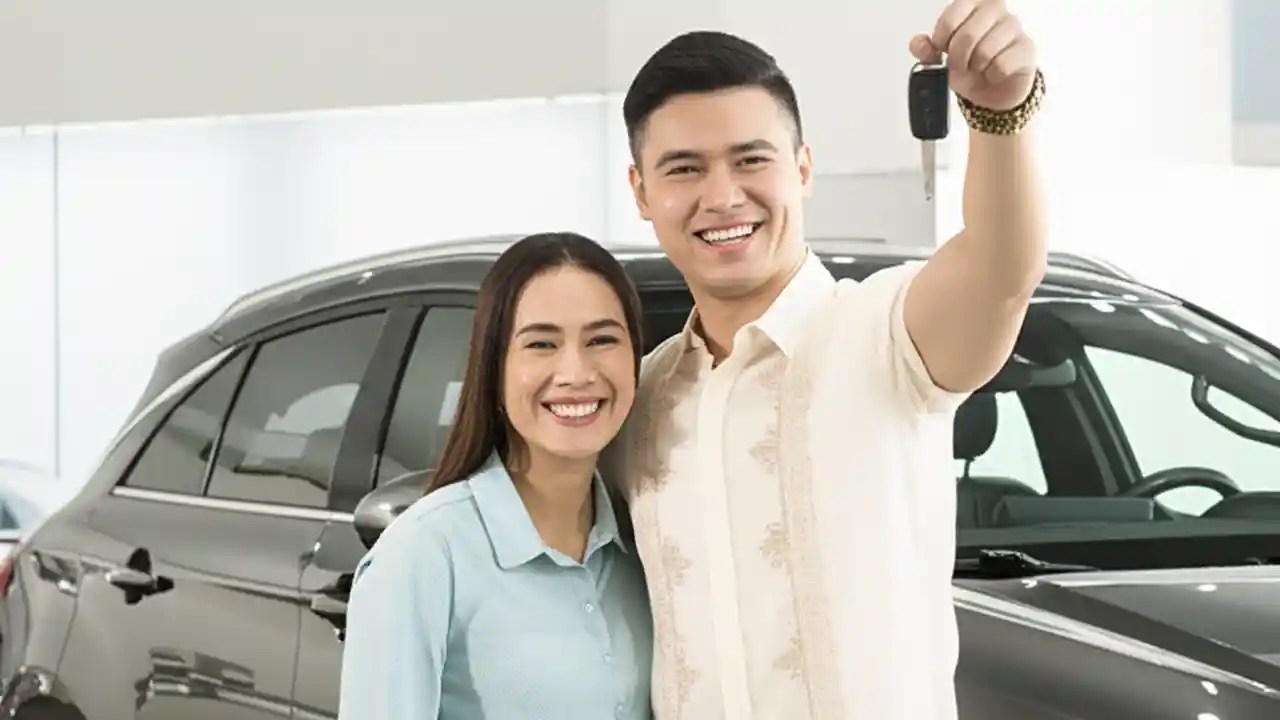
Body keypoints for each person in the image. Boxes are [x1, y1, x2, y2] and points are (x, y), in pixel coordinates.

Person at [604, 1, 1048, 718]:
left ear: (803, 168)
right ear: (642, 194)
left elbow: (1002, 269)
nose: (722, 196)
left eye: (751, 159)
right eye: (684, 168)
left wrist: (1001, 115)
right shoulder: (641, 399)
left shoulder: (881, 332)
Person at [337, 232, 654, 719]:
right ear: (494, 369)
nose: (575, 371)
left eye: (602, 340)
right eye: (542, 344)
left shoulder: (645, 544)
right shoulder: (424, 554)